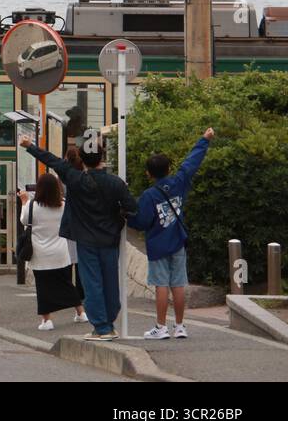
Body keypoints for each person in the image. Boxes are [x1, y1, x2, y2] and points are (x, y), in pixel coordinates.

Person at [20, 133, 137, 341]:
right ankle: (110, 322)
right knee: (110, 281)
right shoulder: (116, 183)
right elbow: (131, 208)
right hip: (110, 239)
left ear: (81, 159)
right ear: (102, 157)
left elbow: (52, 160)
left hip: (85, 240)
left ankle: (102, 328)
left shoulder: (75, 179)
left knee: (92, 283)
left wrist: (30, 145)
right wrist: (118, 217)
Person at [127, 128, 214, 340]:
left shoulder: (149, 196)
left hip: (158, 245)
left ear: (148, 174)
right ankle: (180, 326)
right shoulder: (179, 182)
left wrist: (126, 216)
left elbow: (141, 222)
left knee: (161, 285)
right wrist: (204, 140)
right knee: (178, 284)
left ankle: (161, 327)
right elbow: (191, 163)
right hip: (177, 242)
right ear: (168, 169)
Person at [17, 174, 86, 330]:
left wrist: (24, 201)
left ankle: (47, 321)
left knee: (43, 288)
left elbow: (24, 220)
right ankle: (81, 313)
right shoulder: (64, 205)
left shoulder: (32, 206)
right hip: (61, 252)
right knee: (67, 284)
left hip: (40, 255)